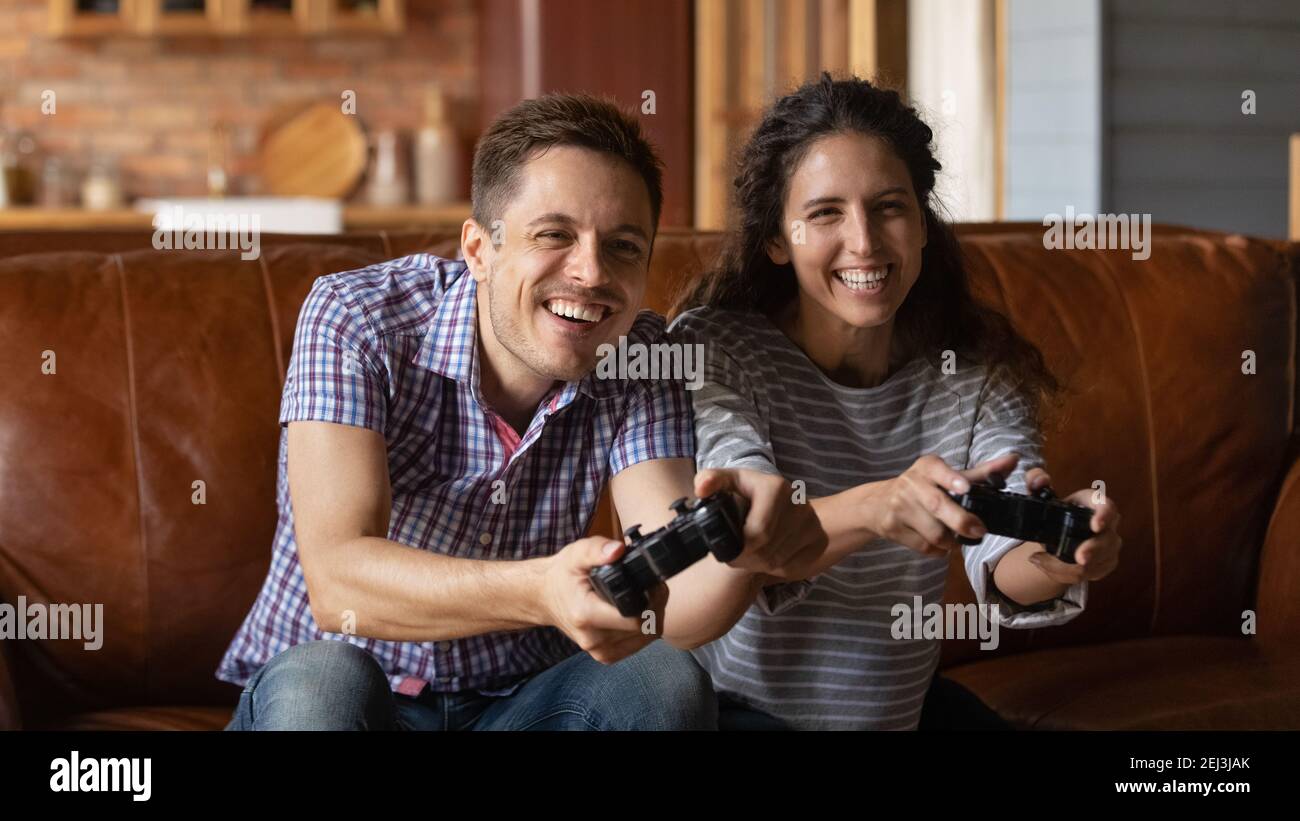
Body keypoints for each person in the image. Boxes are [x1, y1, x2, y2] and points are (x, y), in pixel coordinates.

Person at [216, 92, 826, 731]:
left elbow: (678, 609)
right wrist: (538, 590)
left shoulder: (638, 355)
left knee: (662, 677)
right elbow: (339, 581)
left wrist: (745, 550)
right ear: (478, 249)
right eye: (554, 234)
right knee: (325, 683)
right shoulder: (357, 319)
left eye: (622, 246)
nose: (591, 273)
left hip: (519, 705)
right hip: (348, 689)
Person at [666, 74, 1124, 730]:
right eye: (825, 213)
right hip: (738, 714)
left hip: (898, 715)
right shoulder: (716, 351)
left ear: (922, 224)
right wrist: (879, 505)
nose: (865, 241)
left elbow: (1007, 559)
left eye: (888, 207)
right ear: (775, 238)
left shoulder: (974, 371)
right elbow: (751, 529)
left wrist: (1059, 552)